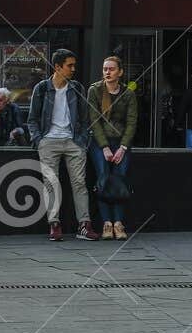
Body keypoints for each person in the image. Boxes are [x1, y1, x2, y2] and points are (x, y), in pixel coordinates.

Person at [26, 48, 100, 241]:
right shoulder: (42, 88)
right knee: (51, 183)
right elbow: (32, 119)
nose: (73, 69)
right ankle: (54, 224)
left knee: (80, 184)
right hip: (48, 141)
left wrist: (82, 141)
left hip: (73, 141)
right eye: (70, 65)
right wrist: (39, 141)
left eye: (74, 65)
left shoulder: (77, 88)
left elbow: (85, 119)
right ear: (57, 67)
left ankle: (84, 225)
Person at [87, 55, 138, 241]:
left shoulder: (128, 94)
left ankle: (118, 223)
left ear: (120, 72)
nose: (107, 72)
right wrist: (105, 147)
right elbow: (94, 120)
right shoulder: (95, 90)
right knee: (103, 180)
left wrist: (123, 147)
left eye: (111, 69)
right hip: (100, 143)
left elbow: (132, 122)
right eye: (105, 69)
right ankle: (106, 223)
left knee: (119, 180)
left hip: (121, 143)